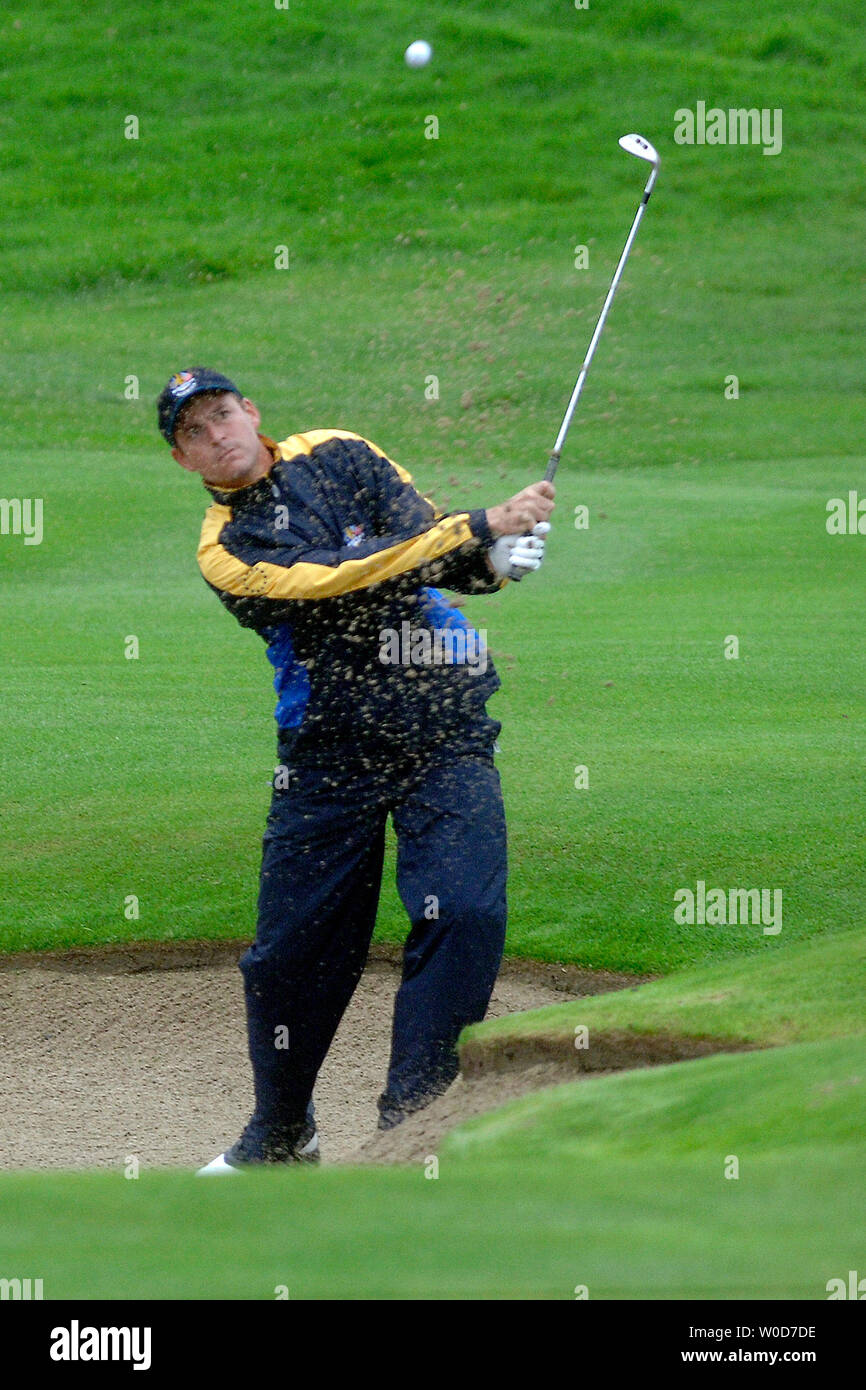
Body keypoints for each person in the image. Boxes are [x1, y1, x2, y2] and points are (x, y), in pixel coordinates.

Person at [156, 367, 555, 1171]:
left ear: (252, 412)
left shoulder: (341, 452)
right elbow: (333, 580)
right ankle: (278, 1134)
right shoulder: (227, 550)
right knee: (292, 951)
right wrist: (479, 524)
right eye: (195, 431)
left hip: (444, 720)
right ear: (183, 460)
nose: (218, 434)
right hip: (328, 751)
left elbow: (424, 546)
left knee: (466, 914)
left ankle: (414, 1127)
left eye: (223, 414)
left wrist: (494, 560)